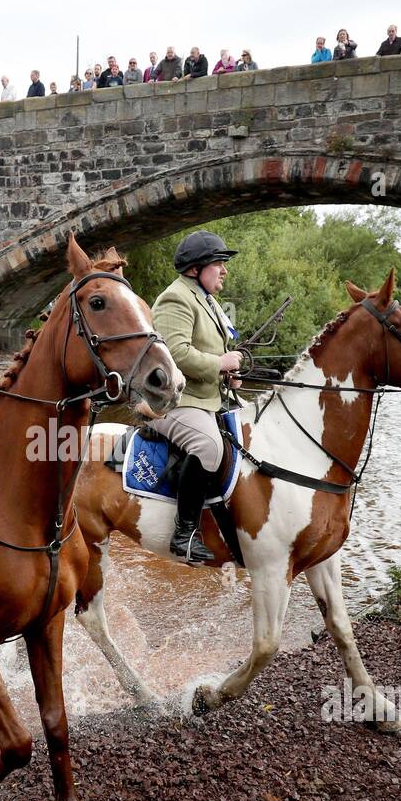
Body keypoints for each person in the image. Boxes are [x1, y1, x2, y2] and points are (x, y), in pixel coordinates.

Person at [147, 231, 242, 564]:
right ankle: (184, 535)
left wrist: (227, 373)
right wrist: (219, 363)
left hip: (209, 397)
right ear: (195, 268)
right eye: (218, 263)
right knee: (209, 446)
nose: (224, 270)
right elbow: (175, 353)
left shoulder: (207, 299)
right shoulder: (176, 298)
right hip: (174, 402)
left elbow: (212, 351)